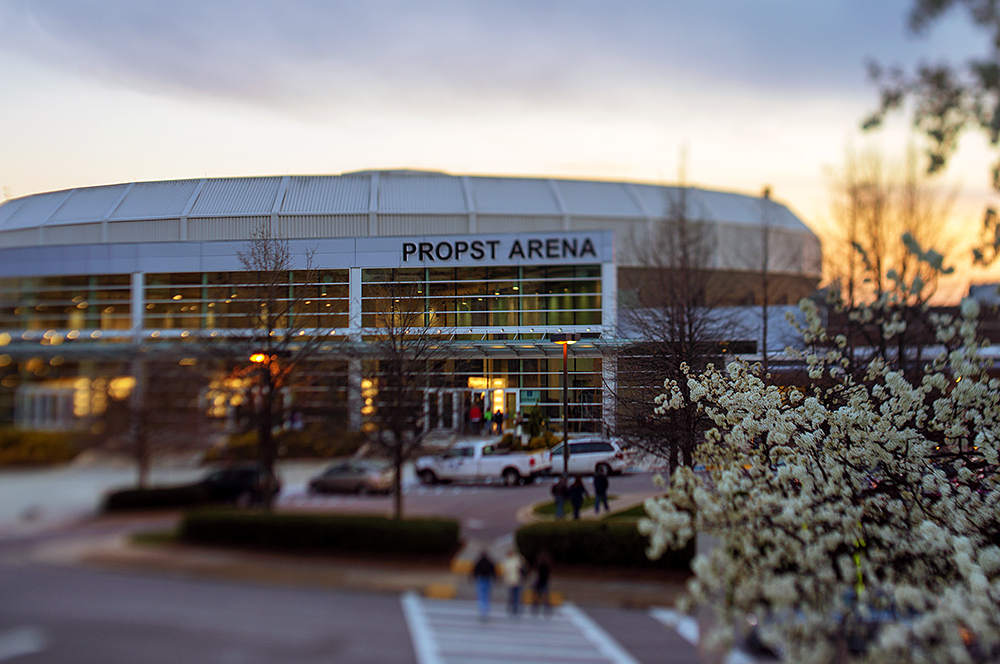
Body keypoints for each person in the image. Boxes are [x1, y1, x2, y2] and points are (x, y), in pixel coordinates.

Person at [471, 551, 497, 621]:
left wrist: (473, 577)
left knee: (481, 595)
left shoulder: (479, 562)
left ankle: (482, 611)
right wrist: (495, 578)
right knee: (486, 596)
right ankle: (486, 610)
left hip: (481, 579)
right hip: (488, 580)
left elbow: (475, 570)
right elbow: (493, 571)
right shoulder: (489, 562)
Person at [501, 548, 527, 616]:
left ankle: (515, 609)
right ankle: (513, 608)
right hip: (512, 581)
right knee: (513, 596)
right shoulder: (509, 561)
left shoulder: (516, 560)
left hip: (517, 581)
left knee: (516, 596)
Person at [531, 549, 553, 616]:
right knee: (545, 596)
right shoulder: (547, 564)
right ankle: (545, 608)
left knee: (537, 596)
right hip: (544, 581)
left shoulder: (539, 564)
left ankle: (536, 608)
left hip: (540, 581)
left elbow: (536, 573)